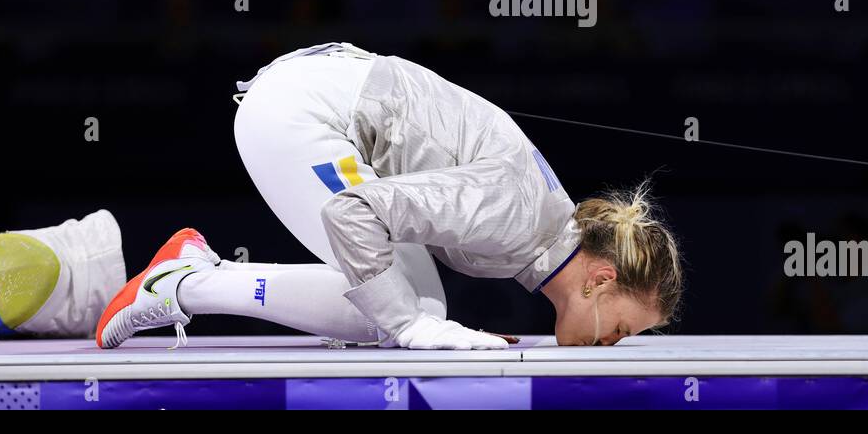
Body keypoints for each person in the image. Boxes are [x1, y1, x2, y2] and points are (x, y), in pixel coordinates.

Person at [97, 42, 684, 350]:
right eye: (624, 330)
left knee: (414, 306)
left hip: (318, 94)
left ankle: (190, 276)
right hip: (302, 112)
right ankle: (183, 282)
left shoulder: (535, 229)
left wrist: (424, 321)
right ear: (601, 280)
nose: (613, 342)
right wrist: (416, 327)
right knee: (413, 312)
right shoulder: (516, 218)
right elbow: (353, 213)